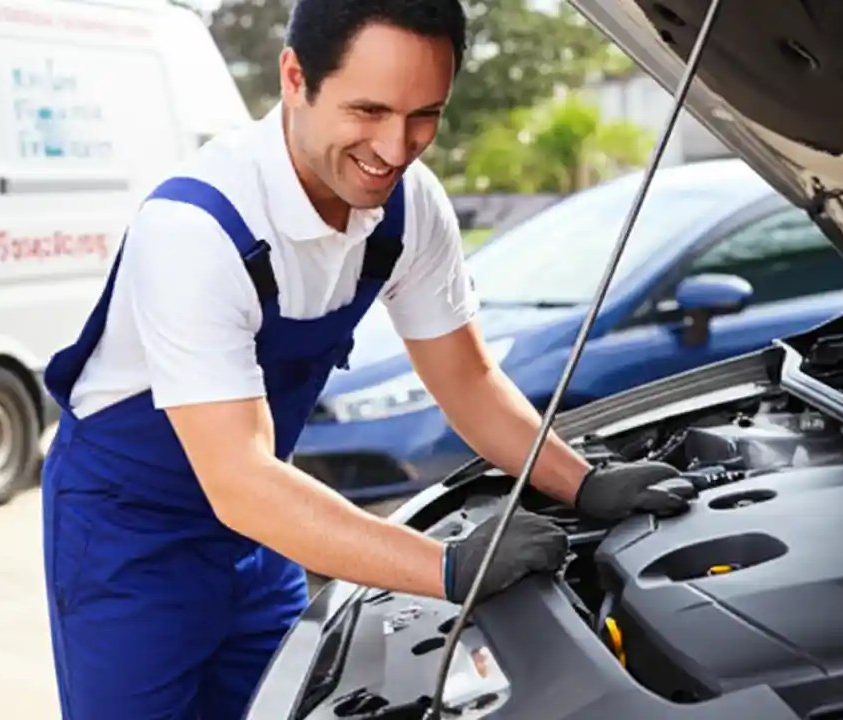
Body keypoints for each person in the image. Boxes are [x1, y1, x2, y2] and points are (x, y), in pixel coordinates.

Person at [39, 0, 687, 718]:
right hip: (131, 539)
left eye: (424, 115)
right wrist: (446, 567)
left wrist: (585, 485)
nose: (396, 146)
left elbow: (466, 379)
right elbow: (240, 480)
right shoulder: (196, 230)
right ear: (294, 77)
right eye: (369, 110)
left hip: (267, 528)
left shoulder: (408, 208)